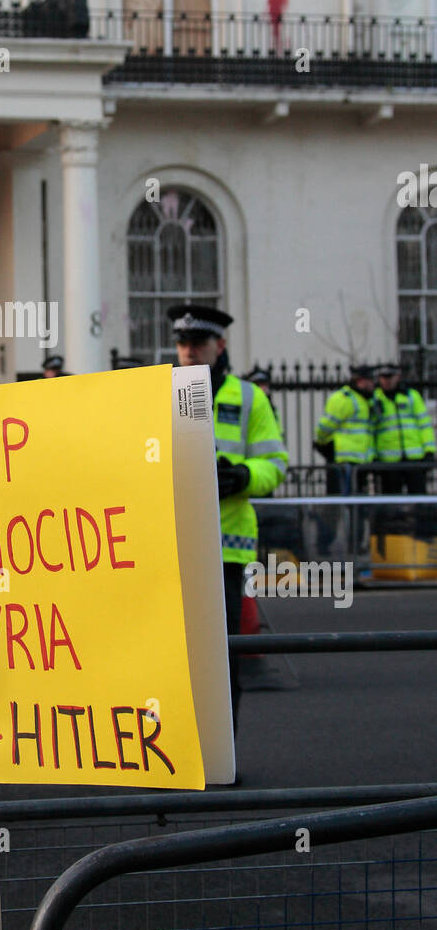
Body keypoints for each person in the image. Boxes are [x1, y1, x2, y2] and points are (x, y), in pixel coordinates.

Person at [168, 304, 288, 735]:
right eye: (183, 343)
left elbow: (276, 465)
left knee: (222, 658)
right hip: (170, 546)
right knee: (172, 659)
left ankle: (222, 754)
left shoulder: (251, 397)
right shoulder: (158, 392)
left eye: (198, 342)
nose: (188, 351)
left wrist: (241, 476)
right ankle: (176, 753)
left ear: (219, 345)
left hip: (225, 551)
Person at [372, 362, 435, 541]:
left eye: (390, 377)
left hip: (414, 457)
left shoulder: (411, 396)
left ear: (398, 376)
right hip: (388, 460)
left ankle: (424, 536)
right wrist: (374, 457)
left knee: (420, 501)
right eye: (383, 377)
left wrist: (429, 450)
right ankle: (394, 538)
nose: (387, 381)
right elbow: (370, 430)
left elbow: (424, 426)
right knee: (390, 504)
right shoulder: (375, 399)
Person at [313, 364, 376, 496]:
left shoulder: (365, 400)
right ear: (360, 381)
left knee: (357, 501)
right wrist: (325, 444)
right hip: (345, 460)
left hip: (361, 460)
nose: (373, 384)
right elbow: (325, 427)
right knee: (344, 499)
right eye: (370, 380)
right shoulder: (344, 398)